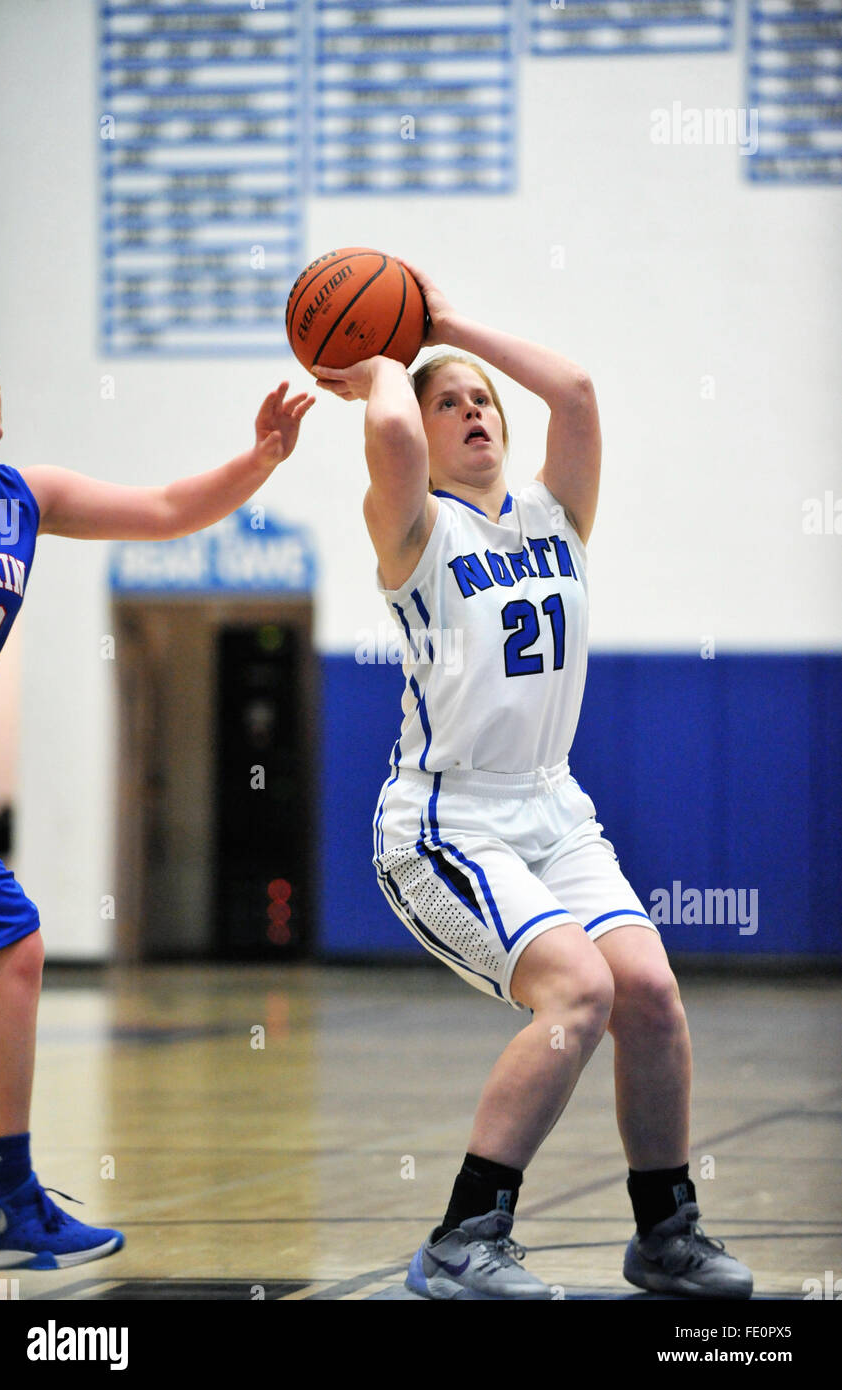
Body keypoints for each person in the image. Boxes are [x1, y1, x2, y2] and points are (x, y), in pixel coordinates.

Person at [312, 261, 753, 1301]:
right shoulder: (418, 531)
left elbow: (578, 393)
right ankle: (464, 1235)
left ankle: (666, 1234)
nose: (472, 411)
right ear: (420, 432)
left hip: (551, 806)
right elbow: (384, 437)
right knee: (577, 992)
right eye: (447, 401)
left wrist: (450, 324)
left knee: (647, 993)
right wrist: (384, 361)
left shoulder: (557, 515)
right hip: (443, 818)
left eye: (481, 402)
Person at [0, 329, 314, 1269]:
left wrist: (258, 461)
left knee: (7, 946)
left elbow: (167, 509)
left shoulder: (21, 497)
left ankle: (3, 1201)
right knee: (11, 943)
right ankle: (3, 1201)